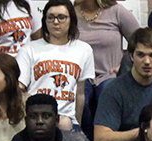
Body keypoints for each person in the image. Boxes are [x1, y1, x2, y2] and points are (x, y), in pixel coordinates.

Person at [16, 0, 95, 131]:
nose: (56, 22)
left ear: (71, 20)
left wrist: (78, 126)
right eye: (51, 17)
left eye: (61, 17)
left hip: (68, 120)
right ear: (45, 21)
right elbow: (20, 89)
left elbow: (80, 94)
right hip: (38, 119)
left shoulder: (84, 50)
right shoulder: (29, 49)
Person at [75, 0, 139, 88]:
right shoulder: (70, 14)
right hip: (80, 75)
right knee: (79, 94)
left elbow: (141, 41)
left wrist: (125, 65)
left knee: (108, 91)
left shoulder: (117, 11)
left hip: (110, 75)